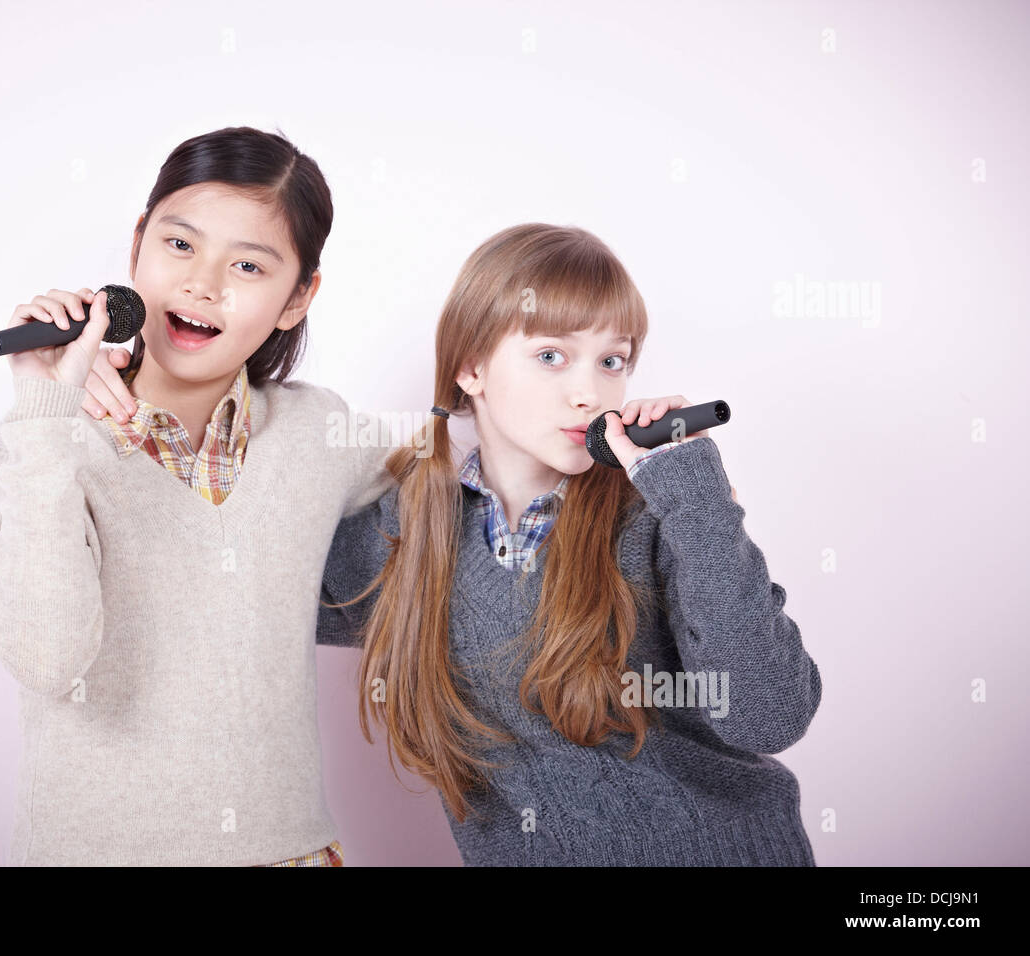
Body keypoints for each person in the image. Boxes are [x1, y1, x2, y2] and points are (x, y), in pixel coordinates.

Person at [315, 222, 822, 865]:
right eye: (552, 355)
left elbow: (769, 715)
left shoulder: (657, 516)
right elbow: (240, 594)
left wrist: (694, 494)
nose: (590, 393)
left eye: (612, 361)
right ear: (472, 367)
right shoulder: (408, 530)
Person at [0, 126, 393, 866]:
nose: (203, 283)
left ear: (298, 298)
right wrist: (45, 408)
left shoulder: (318, 431)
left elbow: (455, 466)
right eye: (179, 246)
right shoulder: (39, 444)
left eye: (247, 265)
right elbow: (46, 659)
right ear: (137, 242)